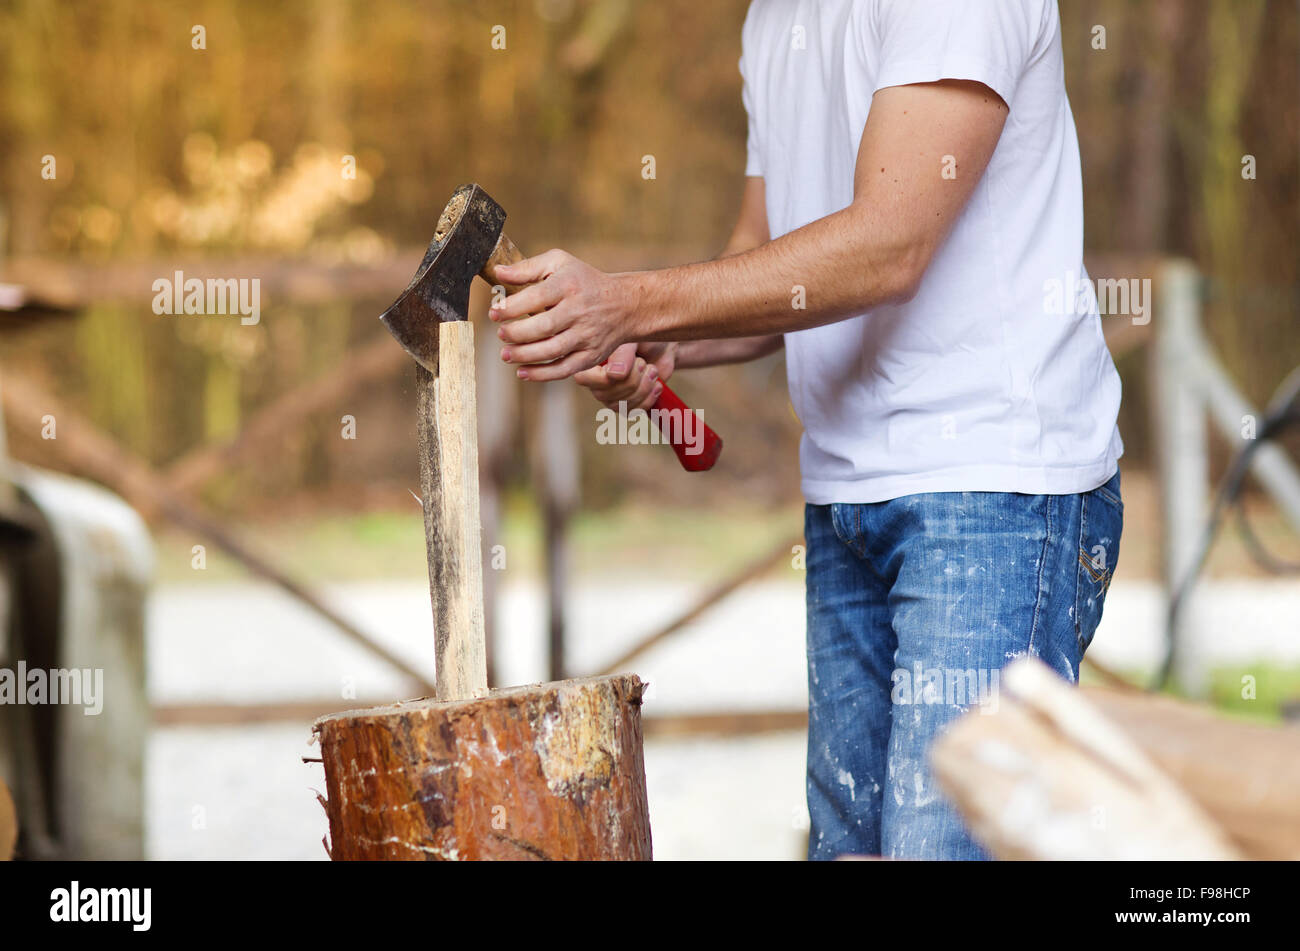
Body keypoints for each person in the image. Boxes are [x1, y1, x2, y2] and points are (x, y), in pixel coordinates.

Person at [487, 0, 1123, 860]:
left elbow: (889, 244)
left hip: (994, 487)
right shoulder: (773, 18)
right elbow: (767, 256)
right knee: (847, 848)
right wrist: (642, 334)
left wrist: (628, 299)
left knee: (944, 847)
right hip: (845, 494)